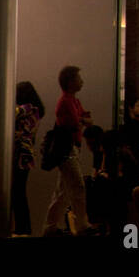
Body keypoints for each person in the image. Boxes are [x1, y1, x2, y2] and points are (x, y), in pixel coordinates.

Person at [43, 65, 96, 236]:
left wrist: (82, 120)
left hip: (70, 149)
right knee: (77, 187)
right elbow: (76, 123)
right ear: (71, 81)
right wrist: (84, 120)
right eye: (79, 78)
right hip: (67, 150)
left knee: (63, 191)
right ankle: (82, 225)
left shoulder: (71, 100)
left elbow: (80, 120)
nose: (82, 81)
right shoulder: (67, 101)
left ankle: (50, 227)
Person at [12, 81, 45, 236]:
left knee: (17, 193)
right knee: (19, 192)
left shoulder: (28, 108)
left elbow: (12, 112)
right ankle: (22, 228)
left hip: (20, 155)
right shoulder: (36, 110)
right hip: (26, 156)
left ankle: (22, 228)